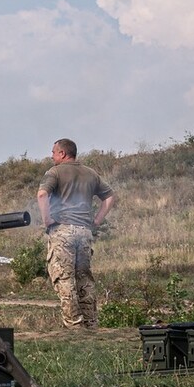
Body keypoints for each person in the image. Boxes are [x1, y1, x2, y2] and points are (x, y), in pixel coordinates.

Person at [36, 138, 117, 329]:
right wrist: (97, 220)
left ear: (62, 153)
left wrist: (47, 220)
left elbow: (42, 194)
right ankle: (90, 323)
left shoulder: (54, 172)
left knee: (65, 279)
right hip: (85, 232)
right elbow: (109, 196)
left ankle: (74, 326)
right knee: (84, 279)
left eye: (54, 152)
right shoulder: (91, 173)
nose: (52, 155)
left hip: (63, 231)